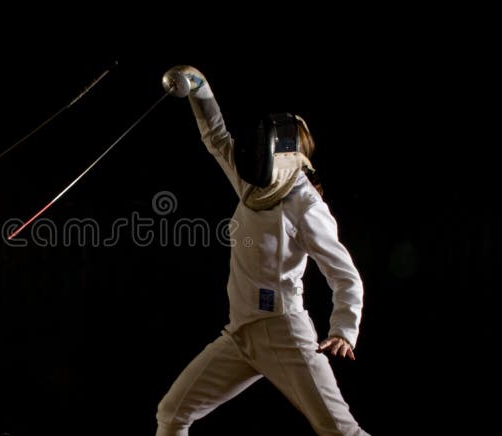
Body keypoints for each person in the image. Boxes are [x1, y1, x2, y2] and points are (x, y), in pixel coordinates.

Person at [155, 66, 368, 435]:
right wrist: (198, 88)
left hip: (285, 333)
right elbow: (216, 137)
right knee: (172, 414)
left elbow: (345, 274)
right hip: (240, 334)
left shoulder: (306, 206)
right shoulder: (251, 182)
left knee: (340, 431)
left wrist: (344, 329)